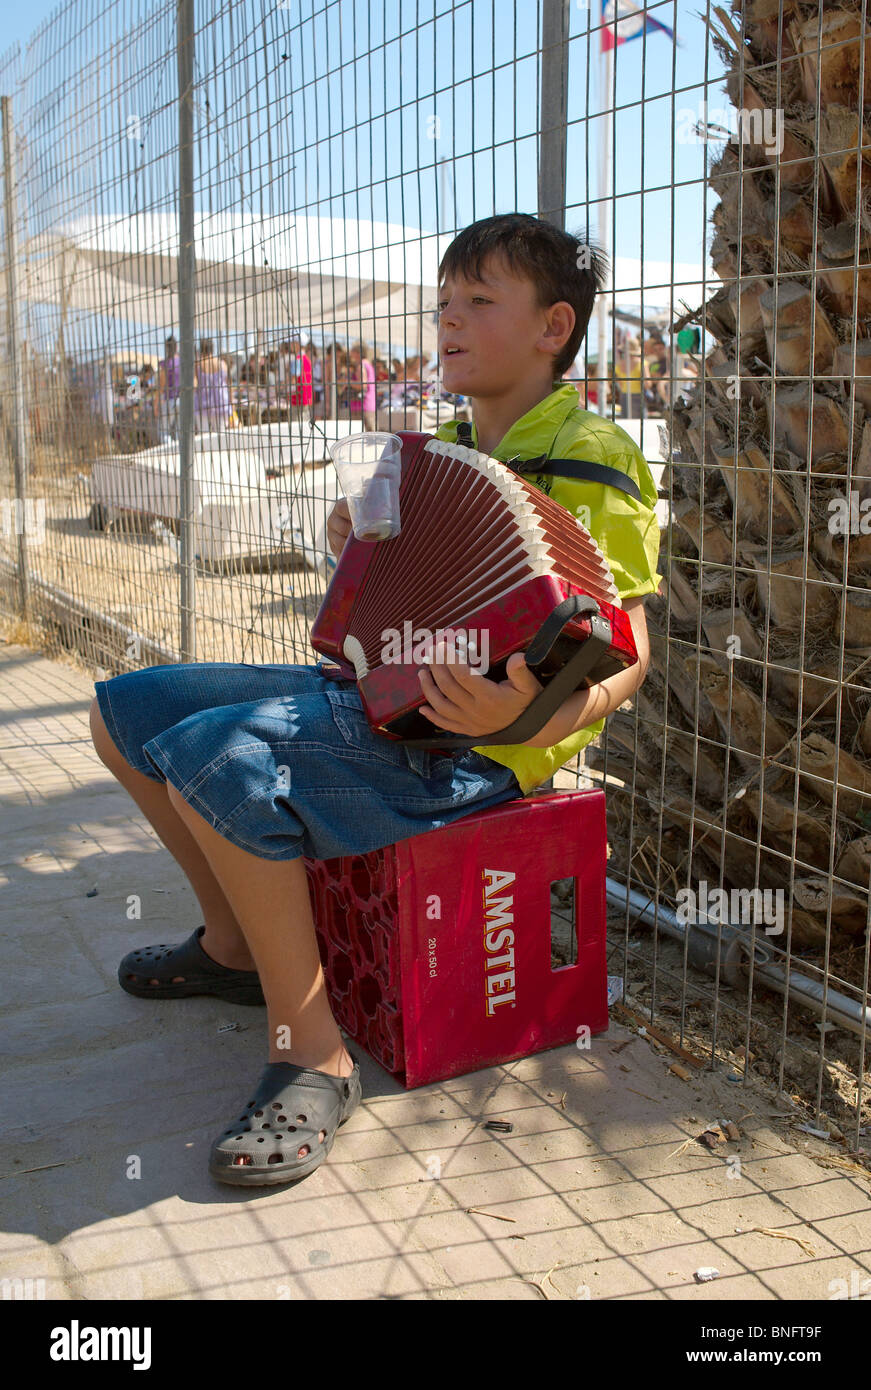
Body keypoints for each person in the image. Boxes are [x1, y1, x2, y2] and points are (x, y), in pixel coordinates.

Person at [88, 212, 660, 1190]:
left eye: (479, 302)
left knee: (224, 760)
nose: (448, 321)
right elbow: (377, 604)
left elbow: (629, 653)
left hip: (475, 750)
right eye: (443, 303)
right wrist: (354, 536)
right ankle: (231, 948)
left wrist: (529, 726)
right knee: (125, 712)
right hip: (376, 698)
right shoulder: (438, 447)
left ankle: (311, 1050)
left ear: (553, 327)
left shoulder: (593, 450)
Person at [193, 338, 233, 433]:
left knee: (204, 435)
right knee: (222, 435)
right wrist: (232, 403)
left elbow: (194, 386)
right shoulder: (222, 364)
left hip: (202, 405)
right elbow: (229, 385)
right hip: (221, 403)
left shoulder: (198, 365)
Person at [154, 335, 181, 441]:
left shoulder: (165, 364)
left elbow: (161, 386)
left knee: (163, 431)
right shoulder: (183, 361)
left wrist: (156, 403)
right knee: (181, 431)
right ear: (176, 347)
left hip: (170, 400)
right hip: (183, 400)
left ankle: (169, 451)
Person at [347, 343, 377, 430]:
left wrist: (347, 382)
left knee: (362, 434)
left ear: (357, 353)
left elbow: (362, 385)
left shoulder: (361, 365)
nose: (350, 354)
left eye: (352, 351)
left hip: (361, 405)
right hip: (369, 403)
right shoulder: (368, 364)